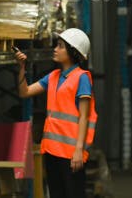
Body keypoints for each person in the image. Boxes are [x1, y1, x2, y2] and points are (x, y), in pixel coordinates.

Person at [16, 28, 98, 198]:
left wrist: (78, 150)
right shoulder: (53, 76)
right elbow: (25, 92)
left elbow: (84, 116)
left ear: (73, 52)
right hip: (52, 151)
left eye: (60, 46)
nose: (55, 49)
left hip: (71, 153)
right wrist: (22, 68)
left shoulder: (81, 77)